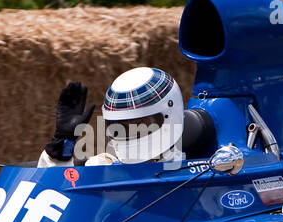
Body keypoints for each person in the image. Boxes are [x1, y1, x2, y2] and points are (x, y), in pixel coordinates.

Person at [38, 67, 185, 167]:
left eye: (139, 122)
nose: (129, 130)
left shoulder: (194, 171)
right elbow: (54, 193)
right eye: (121, 125)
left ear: (168, 117)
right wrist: (62, 144)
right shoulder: (102, 167)